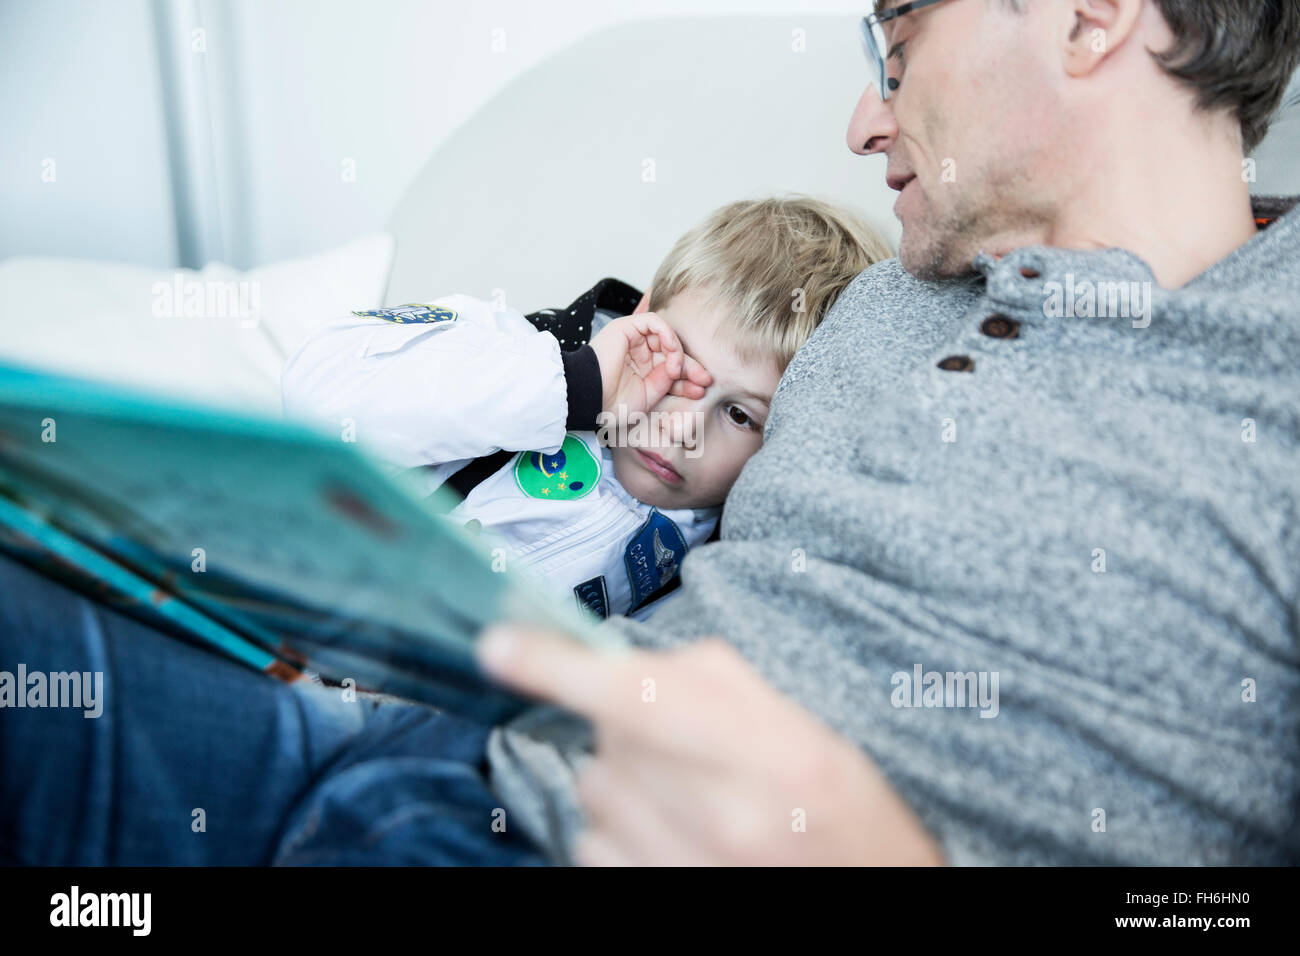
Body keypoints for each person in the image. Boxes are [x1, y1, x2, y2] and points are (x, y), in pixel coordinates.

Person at [2, 0, 1298, 866]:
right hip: (419, 759)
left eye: (895, 43)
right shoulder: (883, 302)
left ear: (1089, 16)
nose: (861, 123)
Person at [281, 197, 890, 620]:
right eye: (680, 365)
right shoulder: (522, 349)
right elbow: (317, 388)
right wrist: (575, 388)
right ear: (642, 313)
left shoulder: (721, 556)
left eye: (740, 416)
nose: (681, 431)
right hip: (278, 590)